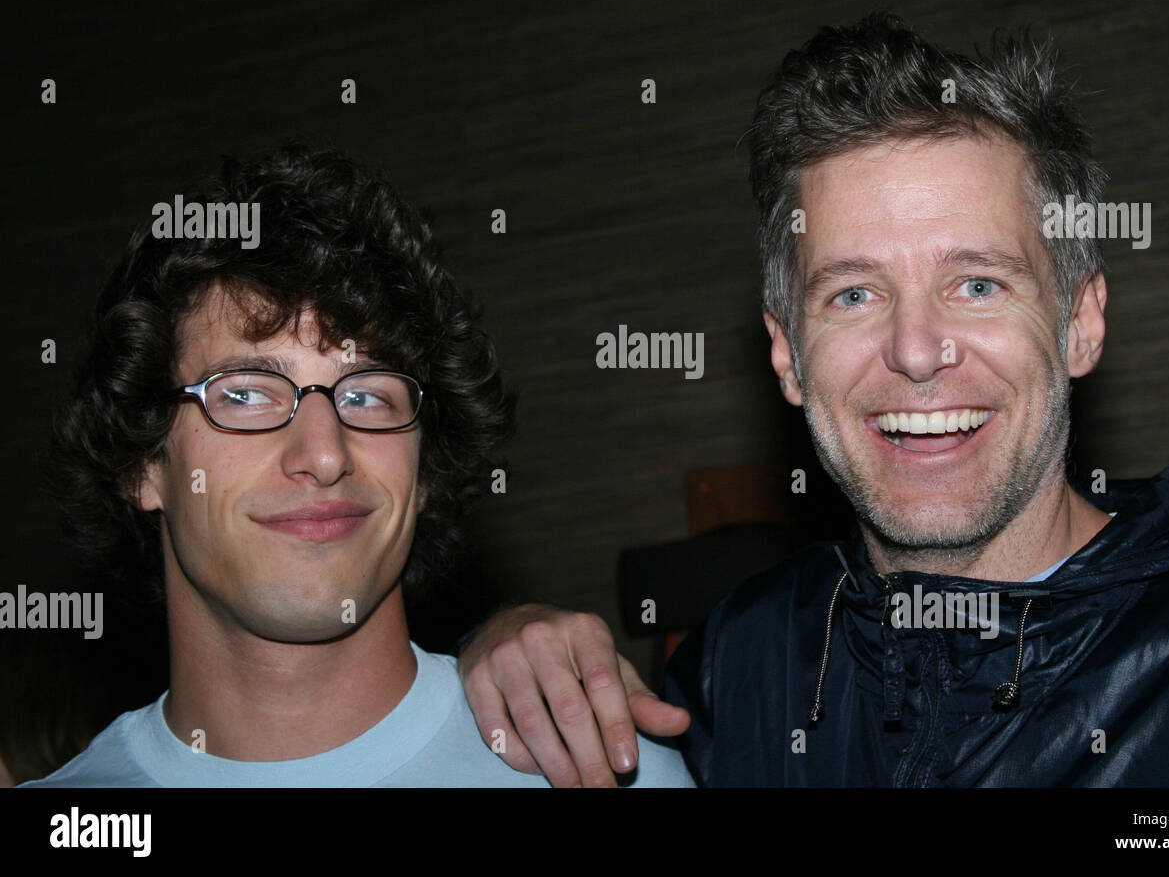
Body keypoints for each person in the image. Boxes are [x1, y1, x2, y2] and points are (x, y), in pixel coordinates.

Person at [456, 12, 1169, 786]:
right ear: (787, 355)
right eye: (854, 295)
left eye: (976, 283)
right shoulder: (740, 667)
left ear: (1079, 322)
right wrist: (485, 652)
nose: (916, 352)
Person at [21, 142, 692, 787]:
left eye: (367, 395)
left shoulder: (600, 776)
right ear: (144, 463)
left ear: (424, 469)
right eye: (247, 393)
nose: (323, 453)